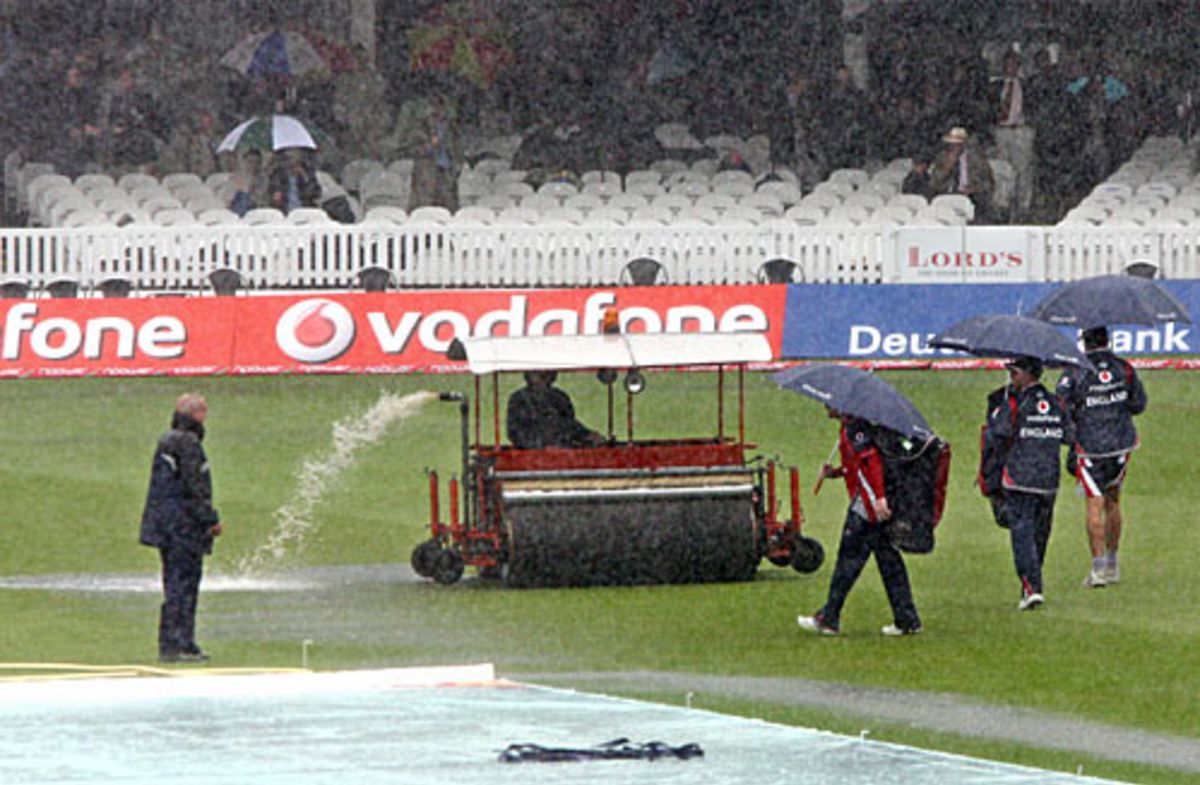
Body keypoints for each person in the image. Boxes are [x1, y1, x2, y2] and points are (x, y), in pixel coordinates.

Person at [797, 408, 922, 637]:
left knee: (848, 563)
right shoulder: (854, 427)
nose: (826, 407)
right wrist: (836, 472)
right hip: (876, 504)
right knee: (889, 562)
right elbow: (856, 466)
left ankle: (829, 618)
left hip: (867, 508)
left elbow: (870, 462)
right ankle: (907, 619)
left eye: (829, 404)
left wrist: (878, 498)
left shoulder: (855, 429)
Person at [1056, 327, 1147, 587]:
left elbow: (1061, 407)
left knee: (1094, 505)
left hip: (1090, 448)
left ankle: (1097, 571)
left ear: (1085, 343)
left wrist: (1077, 422)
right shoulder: (1124, 368)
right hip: (1120, 446)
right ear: (1108, 340)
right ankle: (1112, 565)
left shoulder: (1075, 371)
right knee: (1113, 502)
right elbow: (1138, 404)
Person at [983, 356, 1074, 610]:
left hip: (1019, 478)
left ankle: (1032, 586)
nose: (1011, 377)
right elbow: (1070, 435)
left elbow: (998, 434)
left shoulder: (1015, 403)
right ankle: (1032, 586)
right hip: (1048, 480)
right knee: (1040, 534)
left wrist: (1000, 412)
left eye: (1014, 373)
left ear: (1027, 374)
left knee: (1022, 533)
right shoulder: (1056, 403)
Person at [139, 394, 223, 663]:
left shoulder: (168, 439)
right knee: (183, 587)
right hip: (182, 528)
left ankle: (177, 643)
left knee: (174, 586)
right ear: (196, 414)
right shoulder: (188, 443)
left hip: (166, 525)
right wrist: (210, 519)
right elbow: (194, 487)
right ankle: (178, 644)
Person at [506, 371, 602, 449]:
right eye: (537, 373)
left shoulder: (560, 397)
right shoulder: (519, 399)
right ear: (527, 376)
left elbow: (570, 425)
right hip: (531, 458)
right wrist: (543, 445)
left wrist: (587, 435)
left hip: (562, 455)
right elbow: (515, 433)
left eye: (546, 374)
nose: (542, 377)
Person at [928, 126, 995, 223]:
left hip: (973, 196)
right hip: (947, 195)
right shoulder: (942, 157)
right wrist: (948, 166)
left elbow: (989, 183)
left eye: (957, 144)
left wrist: (974, 188)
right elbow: (934, 182)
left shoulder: (977, 159)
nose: (954, 147)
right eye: (952, 144)